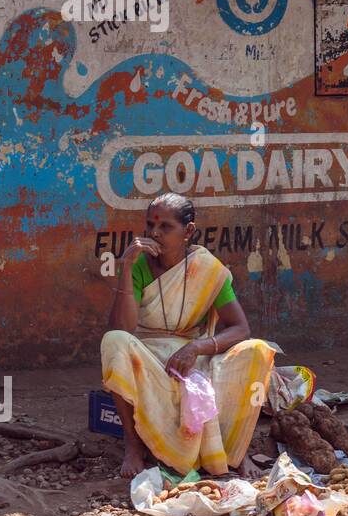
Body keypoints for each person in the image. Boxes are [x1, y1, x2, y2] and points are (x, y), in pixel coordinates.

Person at [101, 193, 275, 478]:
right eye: (150, 226)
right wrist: (127, 267)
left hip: (192, 358)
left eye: (165, 227)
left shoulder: (208, 270)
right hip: (148, 356)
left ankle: (235, 453)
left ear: (189, 231)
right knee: (114, 342)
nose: (154, 233)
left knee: (257, 350)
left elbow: (240, 328)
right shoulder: (141, 265)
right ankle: (133, 448)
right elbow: (122, 327)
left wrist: (197, 347)